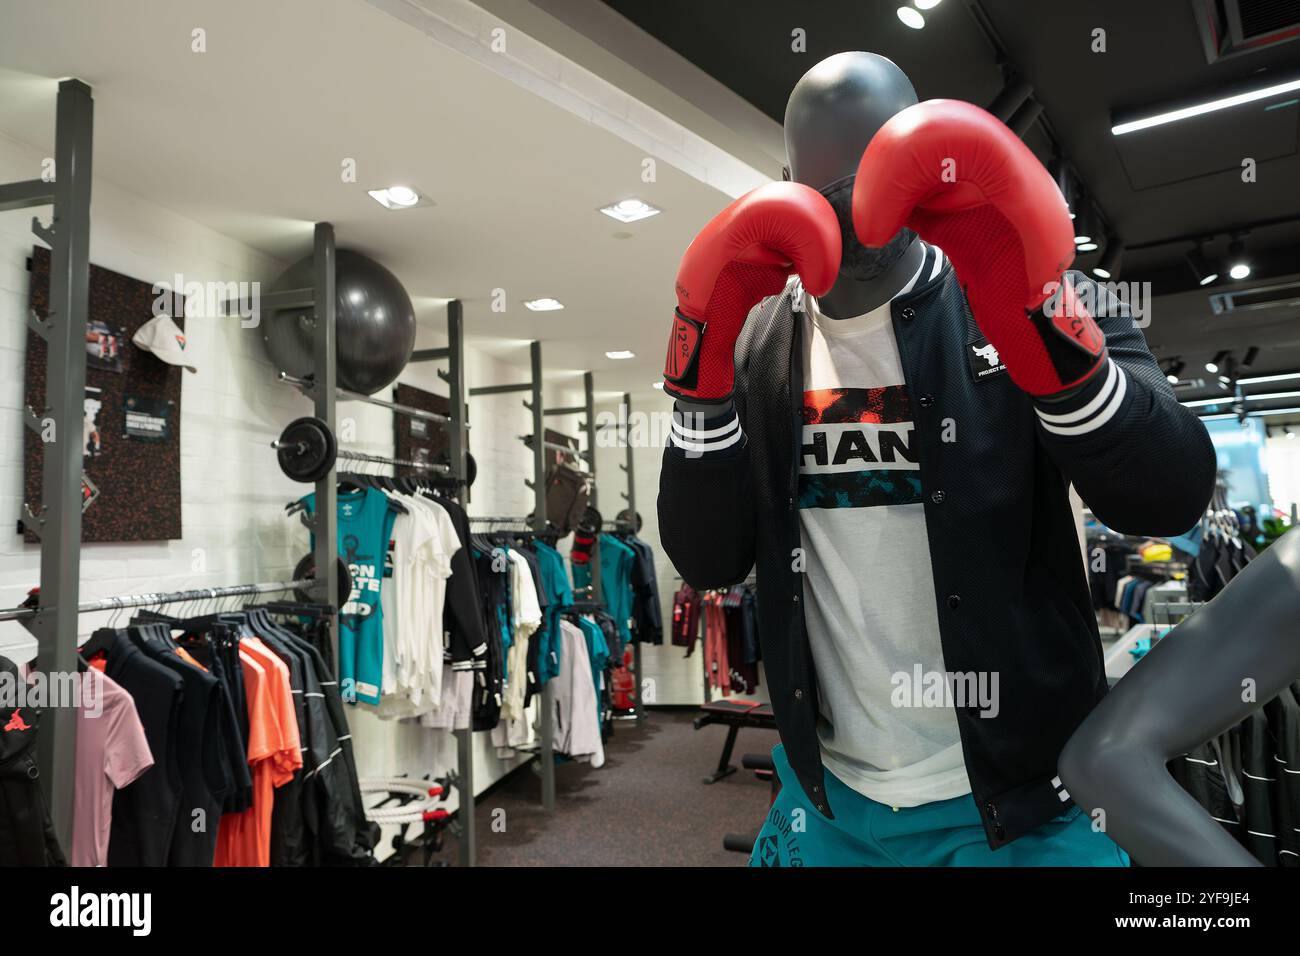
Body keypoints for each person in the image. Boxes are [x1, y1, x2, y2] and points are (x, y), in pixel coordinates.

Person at [656, 52, 1216, 866]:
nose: (857, 212)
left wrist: (1048, 337)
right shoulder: (758, 343)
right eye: (827, 187)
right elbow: (708, 559)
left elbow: (1170, 497)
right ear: (784, 180)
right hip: (832, 800)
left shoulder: (1027, 284)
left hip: (1024, 800)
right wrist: (698, 388)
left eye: (876, 171)